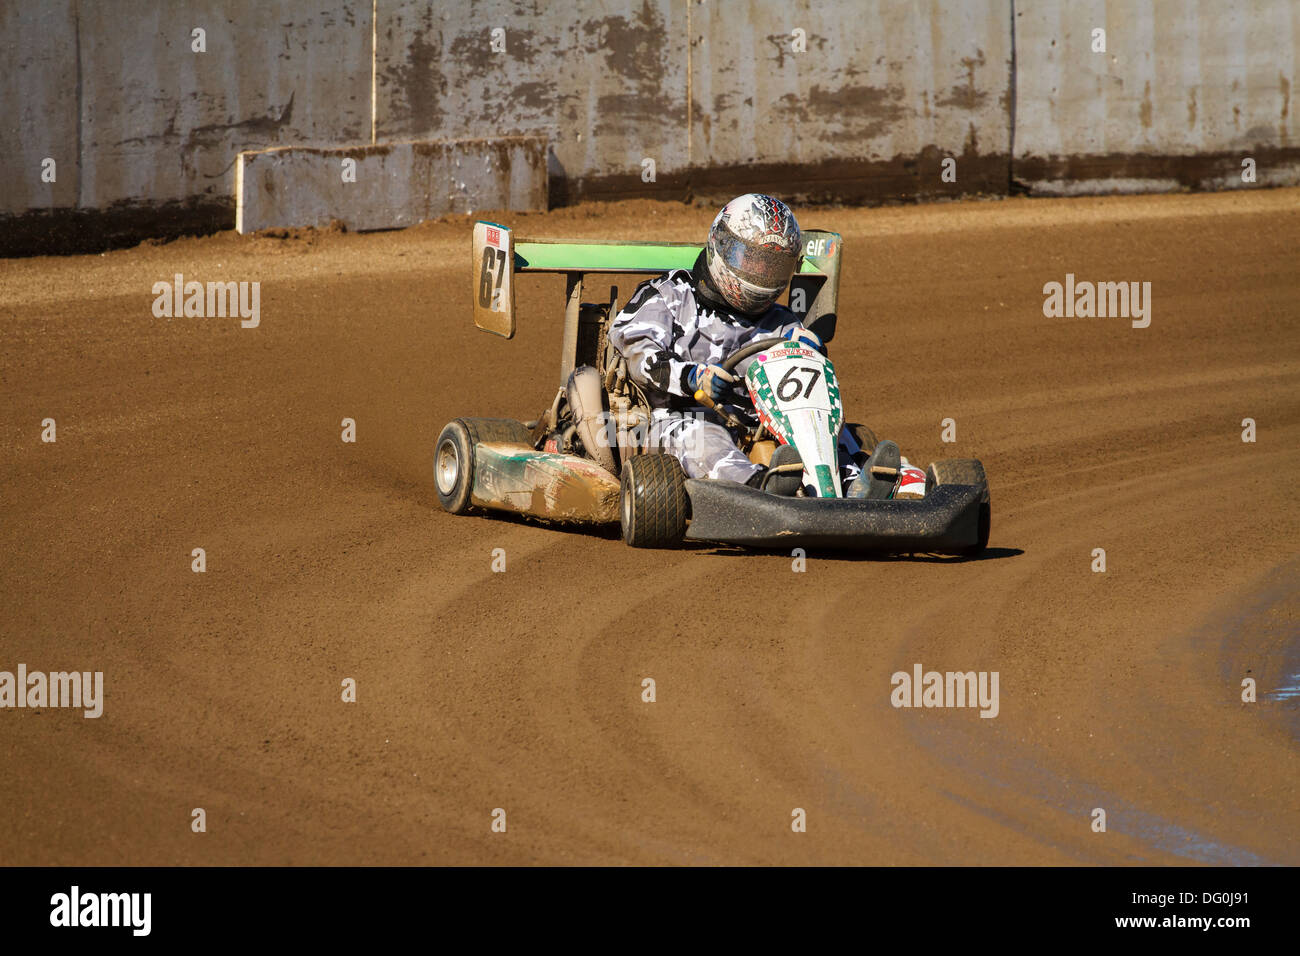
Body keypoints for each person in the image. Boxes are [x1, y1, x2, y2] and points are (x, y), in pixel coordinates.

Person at [608, 193, 871, 494]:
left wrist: (810, 353)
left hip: (764, 426)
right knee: (703, 438)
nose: (762, 274)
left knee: (826, 428)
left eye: (773, 267)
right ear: (722, 244)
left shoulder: (782, 322)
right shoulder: (669, 296)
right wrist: (693, 376)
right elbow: (638, 354)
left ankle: (857, 484)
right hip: (679, 419)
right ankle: (760, 490)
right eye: (753, 261)